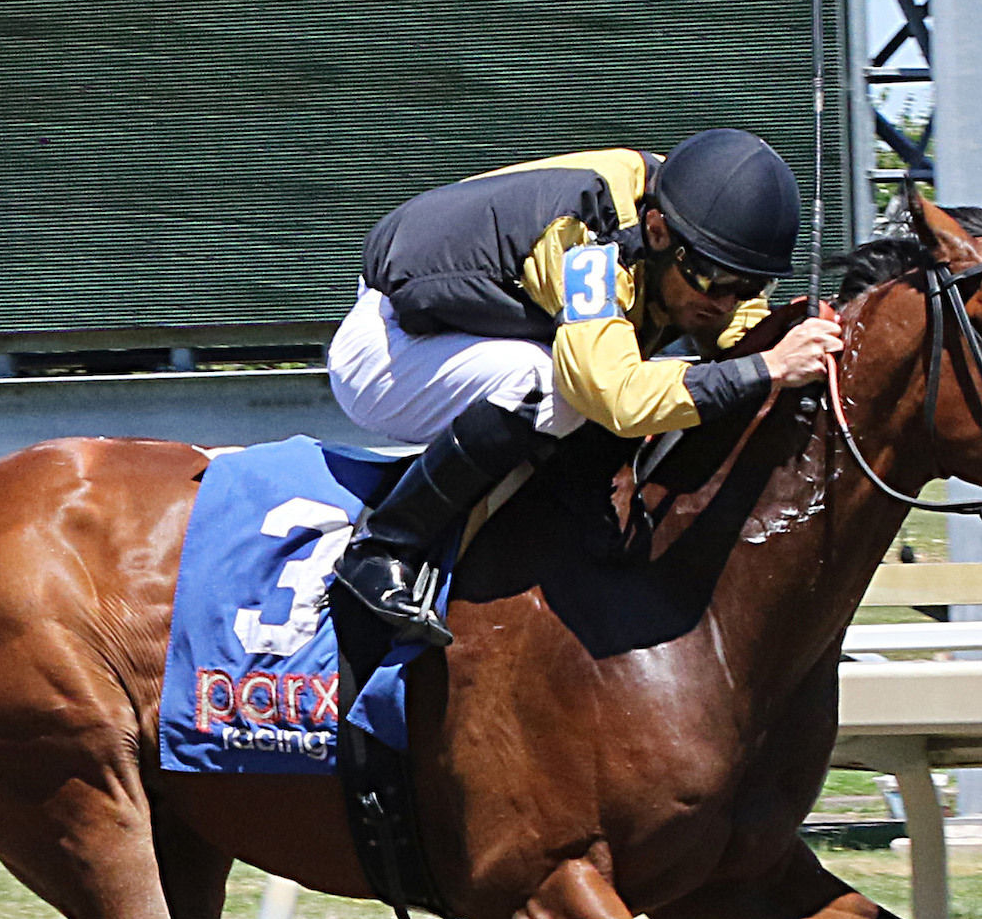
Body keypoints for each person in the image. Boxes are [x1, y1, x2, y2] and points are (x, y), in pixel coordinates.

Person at [326, 129, 844, 648]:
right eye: (712, 281)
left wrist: (784, 335)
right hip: (389, 349)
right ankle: (382, 549)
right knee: (552, 383)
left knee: (598, 371)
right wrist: (767, 367)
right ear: (659, 231)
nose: (726, 303)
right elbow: (615, 395)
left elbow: (734, 331)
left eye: (748, 286)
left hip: (467, 334)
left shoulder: (695, 217)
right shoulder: (586, 241)